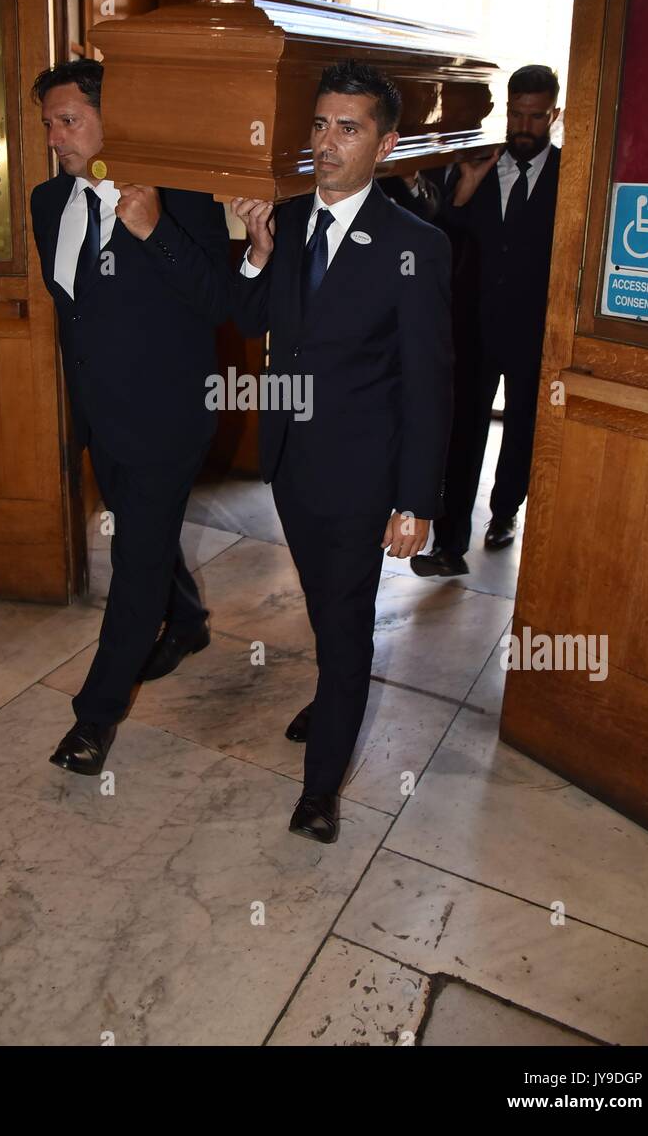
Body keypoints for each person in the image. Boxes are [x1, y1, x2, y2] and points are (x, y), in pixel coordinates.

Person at [233, 59, 453, 844]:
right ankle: (331, 692)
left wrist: (417, 499)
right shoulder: (290, 221)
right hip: (291, 462)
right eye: (321, 124)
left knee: (349, 622)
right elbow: (255, 312)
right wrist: (256, 250)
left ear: (385, 144)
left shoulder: (413, 247)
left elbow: (429, 384)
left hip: (363, 472)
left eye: (348, 129)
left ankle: (320, 791)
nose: (327, 143)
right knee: (327, 606)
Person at [29, 58, 231, 775]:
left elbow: (221, 302)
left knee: (135, 560)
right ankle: (193, 621)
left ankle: (94, 718)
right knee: (147, 535)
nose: (57, 135)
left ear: (113, 119)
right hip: (101, 419)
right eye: (50, 122)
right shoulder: (47, 204)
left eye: (70, 120)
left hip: (170, 418)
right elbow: (76, 316)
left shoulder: (179, 197)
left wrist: (154, 234)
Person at [411, 64, 561, 577]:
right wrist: (462, 195)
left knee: (522, 428)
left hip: (533, 332)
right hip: (471, 329)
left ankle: (504, 513)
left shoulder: (570, 174)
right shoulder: (475, 167)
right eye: (516, 113)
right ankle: (449, 543)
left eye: (536, 116)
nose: (524, 125)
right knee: (462, 432)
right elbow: (441, 248)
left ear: (553, 114)